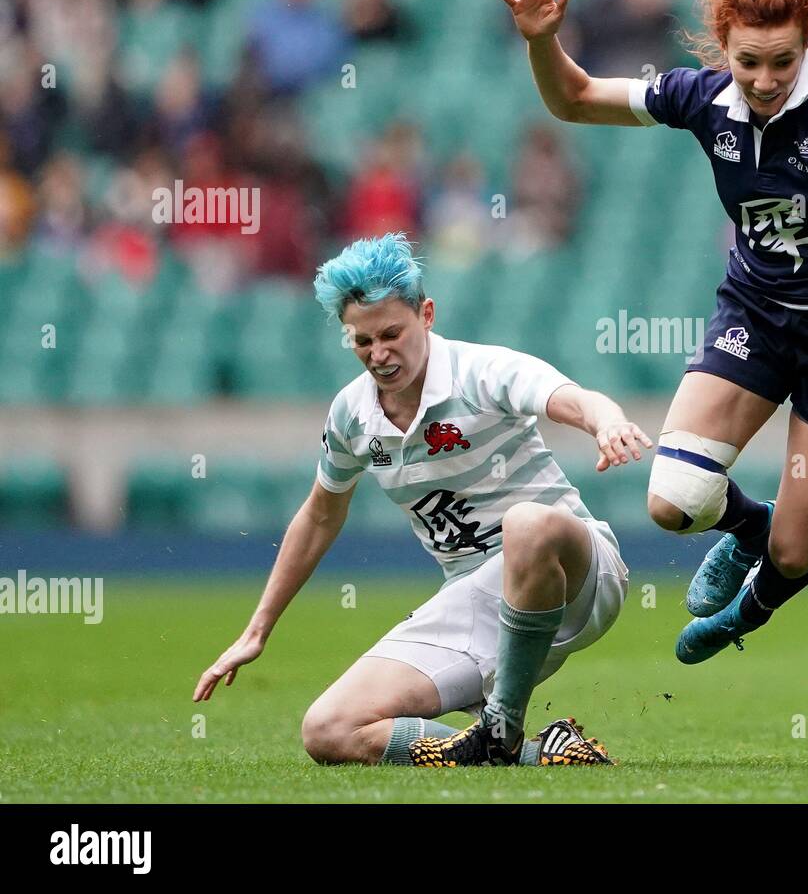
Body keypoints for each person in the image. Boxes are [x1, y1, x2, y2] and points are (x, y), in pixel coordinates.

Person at [496, 0, 808, 664]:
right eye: (749, 63)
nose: (766, 81)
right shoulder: (701, 99)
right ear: (725, 48)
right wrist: (544, 41)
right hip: (759, 316)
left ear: (807, 45)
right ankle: (746, 527)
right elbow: (572, 99)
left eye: (782, 62)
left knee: (797, 555)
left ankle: (746, 612)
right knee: (673, 502)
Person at [193, 233, 653, 766]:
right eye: (362, 342)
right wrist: (257, 631)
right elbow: (320, 515)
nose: (379, 354)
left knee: (527, 524)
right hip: (476, 598)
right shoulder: (352, 415)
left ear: (427, 314)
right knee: (328, 729)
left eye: (391, 334)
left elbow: (567, 397)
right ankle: (530, 751)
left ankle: (499, 725)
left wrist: (608, 421)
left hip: (579, 572)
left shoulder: (479, 371)